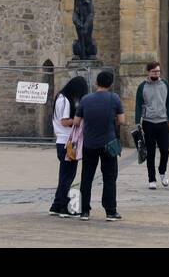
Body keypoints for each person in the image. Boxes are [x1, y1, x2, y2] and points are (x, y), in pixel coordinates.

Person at [75, 69, 125, 222]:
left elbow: (77, 122)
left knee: (87, 177)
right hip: (109, 143)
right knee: (109, 177)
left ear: (97, 82)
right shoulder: (114, 98)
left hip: (89, 143)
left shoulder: (85, 99)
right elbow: (121, 121)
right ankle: (110, 211)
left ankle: (84, 211)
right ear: (110, 84)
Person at [49, 76, 88, 216]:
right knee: (67, 176)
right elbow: (65, 121)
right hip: (67, 142)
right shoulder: (65, 100)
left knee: (65, 175)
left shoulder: (60, 97)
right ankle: (63, 207)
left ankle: (56, 205)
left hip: (63, 141)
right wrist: (79, 120)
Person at [135, 61, 169, 189]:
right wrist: (137, 122)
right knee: (150, 153)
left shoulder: (165, 84)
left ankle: (162, 171)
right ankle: (151, 178)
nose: (156, 73)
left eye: (158, 71)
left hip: (163, 121)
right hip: (148, 122)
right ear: (148, 72)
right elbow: (138, 105)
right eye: (153, 71)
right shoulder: (142, 87)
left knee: (165, 151)